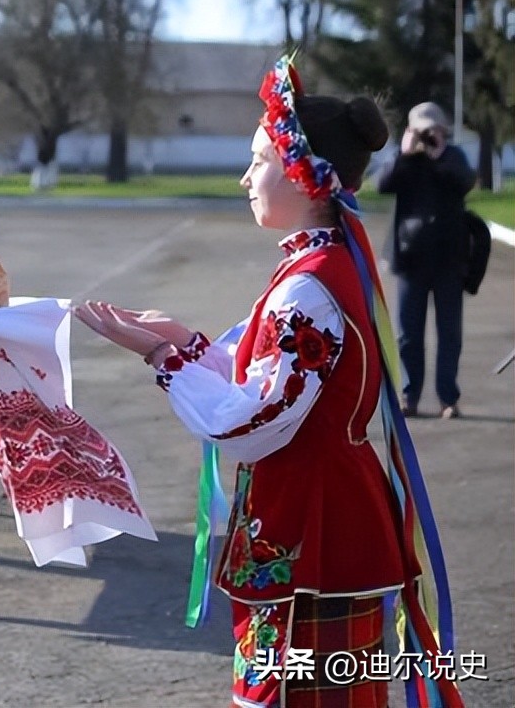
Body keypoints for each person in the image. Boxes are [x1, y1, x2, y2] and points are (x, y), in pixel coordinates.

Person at [75, 57, 463, 708]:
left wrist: (165, 360)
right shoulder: (323, 266)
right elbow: (265, 380)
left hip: (314, 525)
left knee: (306, 696)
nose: (244, 178)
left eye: (258, 161)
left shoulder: (310, 286)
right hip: (320, 513)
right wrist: (182, 343)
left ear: (304, 174)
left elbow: (251, 421)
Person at [377, 102, 477, 419]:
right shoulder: (405, 160)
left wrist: (440, 156)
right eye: (421, 130)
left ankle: (448, 398)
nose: (427, 136)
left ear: (443, 130)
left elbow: (466, 182)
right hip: (410, 259)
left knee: (449, 334)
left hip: (449, 259)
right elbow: (382, 185)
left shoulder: (453, 157)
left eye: (432, 130)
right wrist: (405, 154)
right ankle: (409, 396)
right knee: (408, 335)